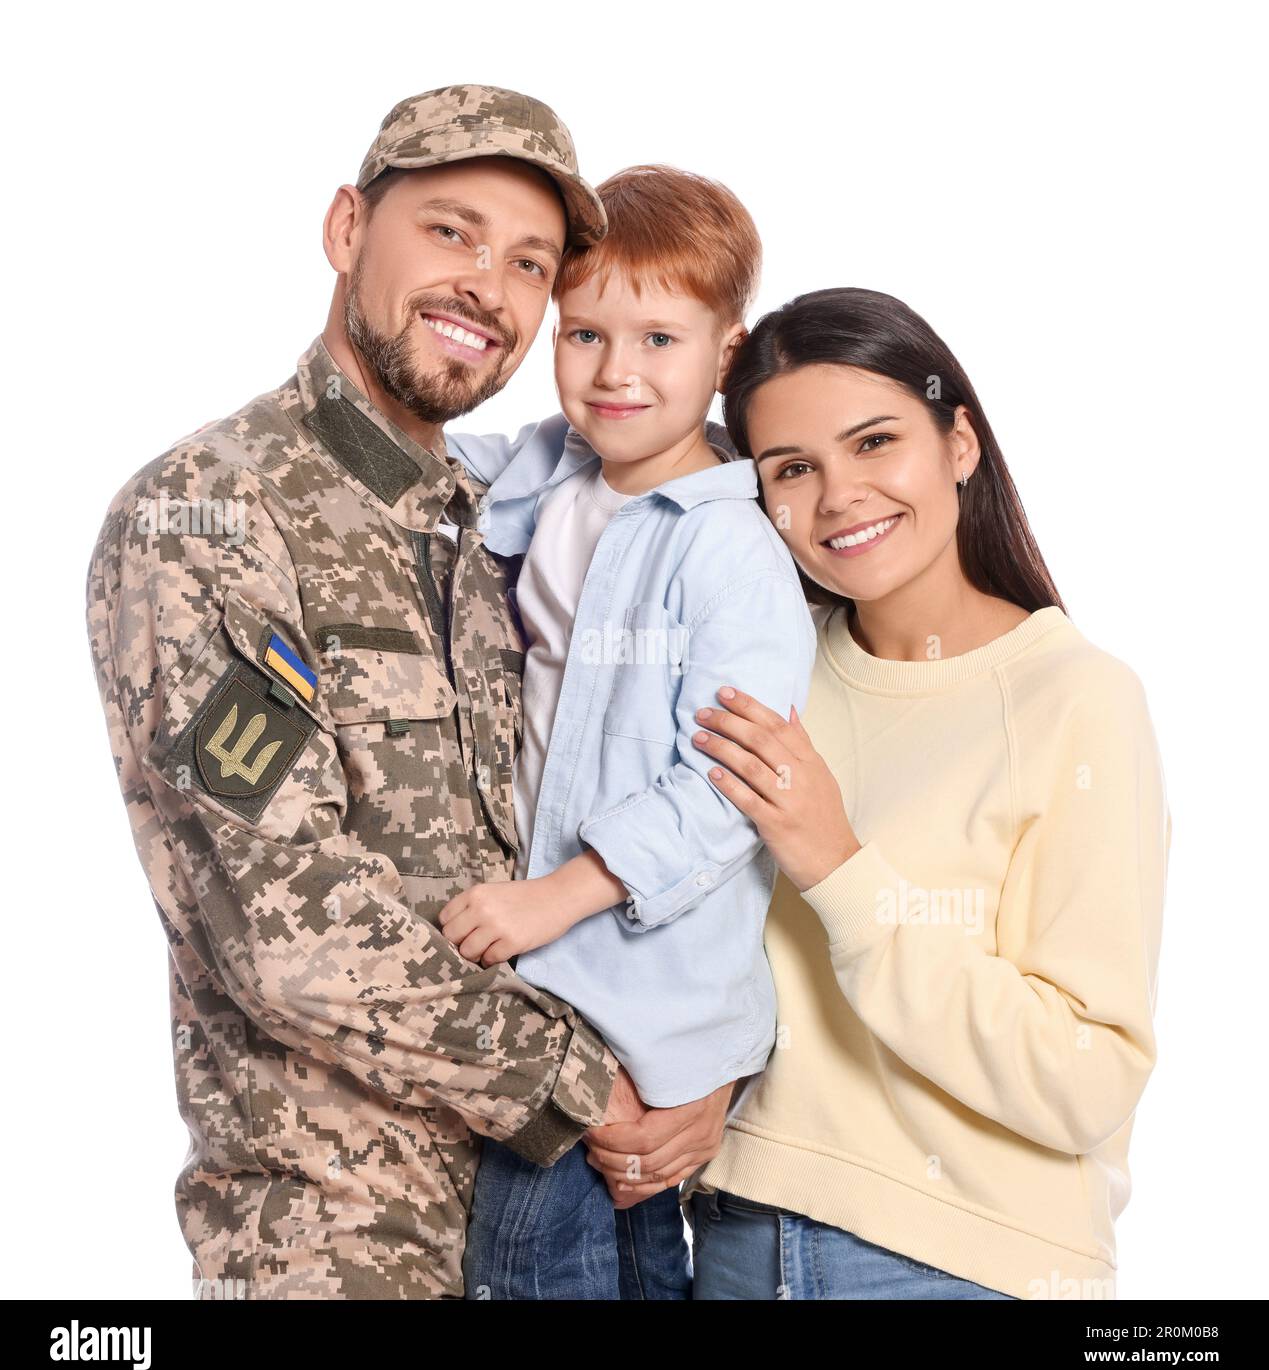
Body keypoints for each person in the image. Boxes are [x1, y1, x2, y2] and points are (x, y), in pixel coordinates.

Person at [84, 83, 652, 1301]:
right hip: (338, 1247)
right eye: (450, 231)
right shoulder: (213, 513)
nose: (486, 289)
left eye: (528, 263)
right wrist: (587, 1084)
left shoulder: (491, 525)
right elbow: (287, 932)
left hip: (545, 1233)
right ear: (348, 230)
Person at [594, 287, 1171, 1300]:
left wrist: (839, 865)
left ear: (959, 443)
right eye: (792, 469)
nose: (839, 496)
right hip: (731, 1239)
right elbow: (713, 959)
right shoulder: (762, 678)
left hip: (955, 1260)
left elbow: (1086, 1073)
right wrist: (706, 1092)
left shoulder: (1075, 698)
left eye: (874, 442)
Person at [442, 166, 818, 1300]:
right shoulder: (553, 469)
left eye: (659, 338)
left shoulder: (729, 548)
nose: (616, 374)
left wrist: (555, 895)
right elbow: (434, 464)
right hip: (556, 998)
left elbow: (726, 785)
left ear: (725, 351)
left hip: (626, 1006)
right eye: (585, 333)